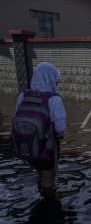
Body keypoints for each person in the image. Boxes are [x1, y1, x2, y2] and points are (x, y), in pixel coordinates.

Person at [15, 62, 66, 196]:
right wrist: (60, 136)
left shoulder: (23, 95)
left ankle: (40, 187)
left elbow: (17, 116)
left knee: (40, 172)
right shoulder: (54, 100)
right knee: (49, 180)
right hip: (46, 148)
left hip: (26, 146)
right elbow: (60, 128)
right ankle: (48, 206)